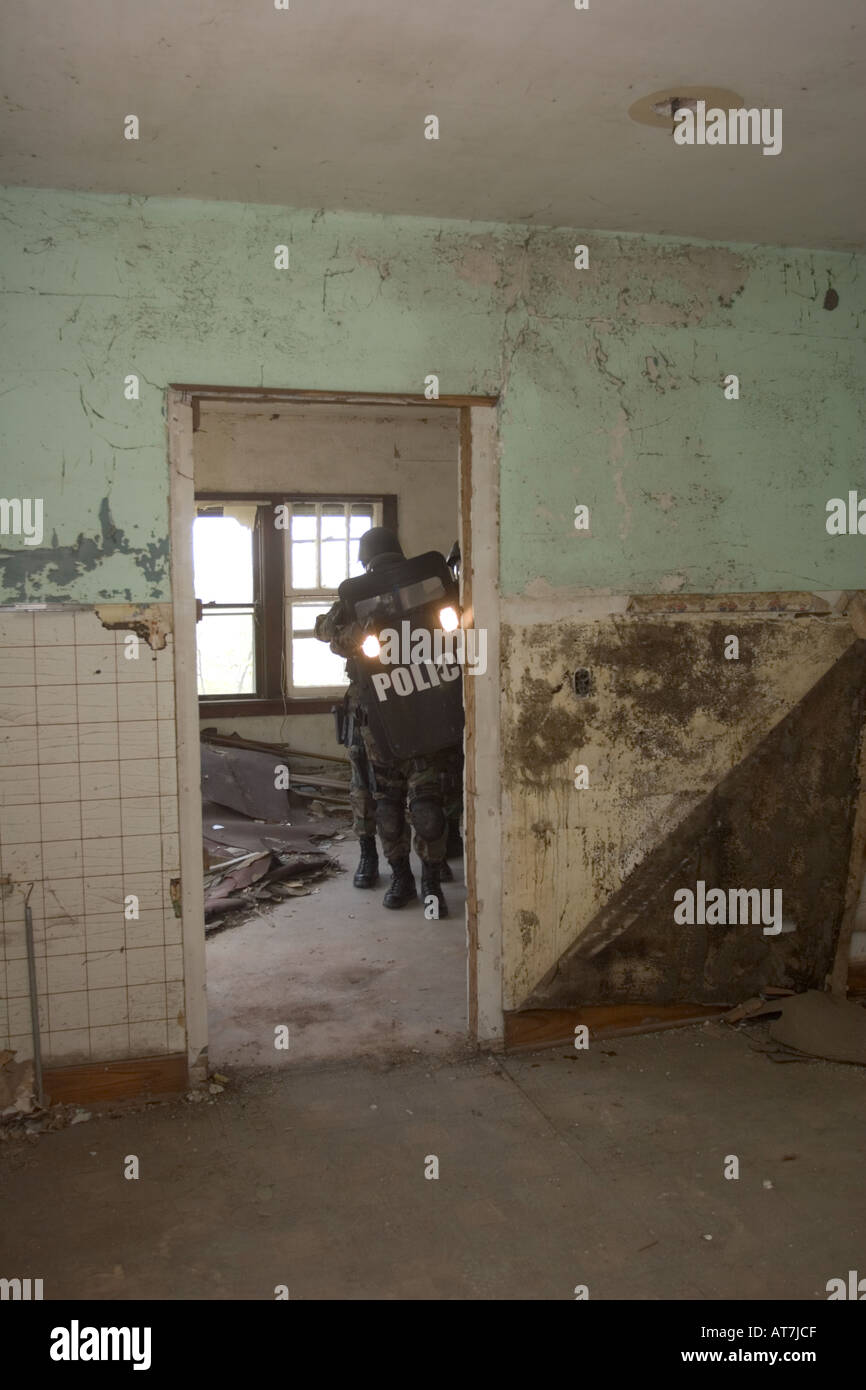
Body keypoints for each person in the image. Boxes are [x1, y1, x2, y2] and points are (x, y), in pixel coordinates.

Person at [316, 526, 459, 918]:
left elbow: (458, 627)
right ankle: (401, 877)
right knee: (388, 810)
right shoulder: (358, 598)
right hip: (379, 720)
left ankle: (430, 882)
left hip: (425, 708)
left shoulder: (426, 586)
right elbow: (324, 629)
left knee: (428, 810)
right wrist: (359, 631)